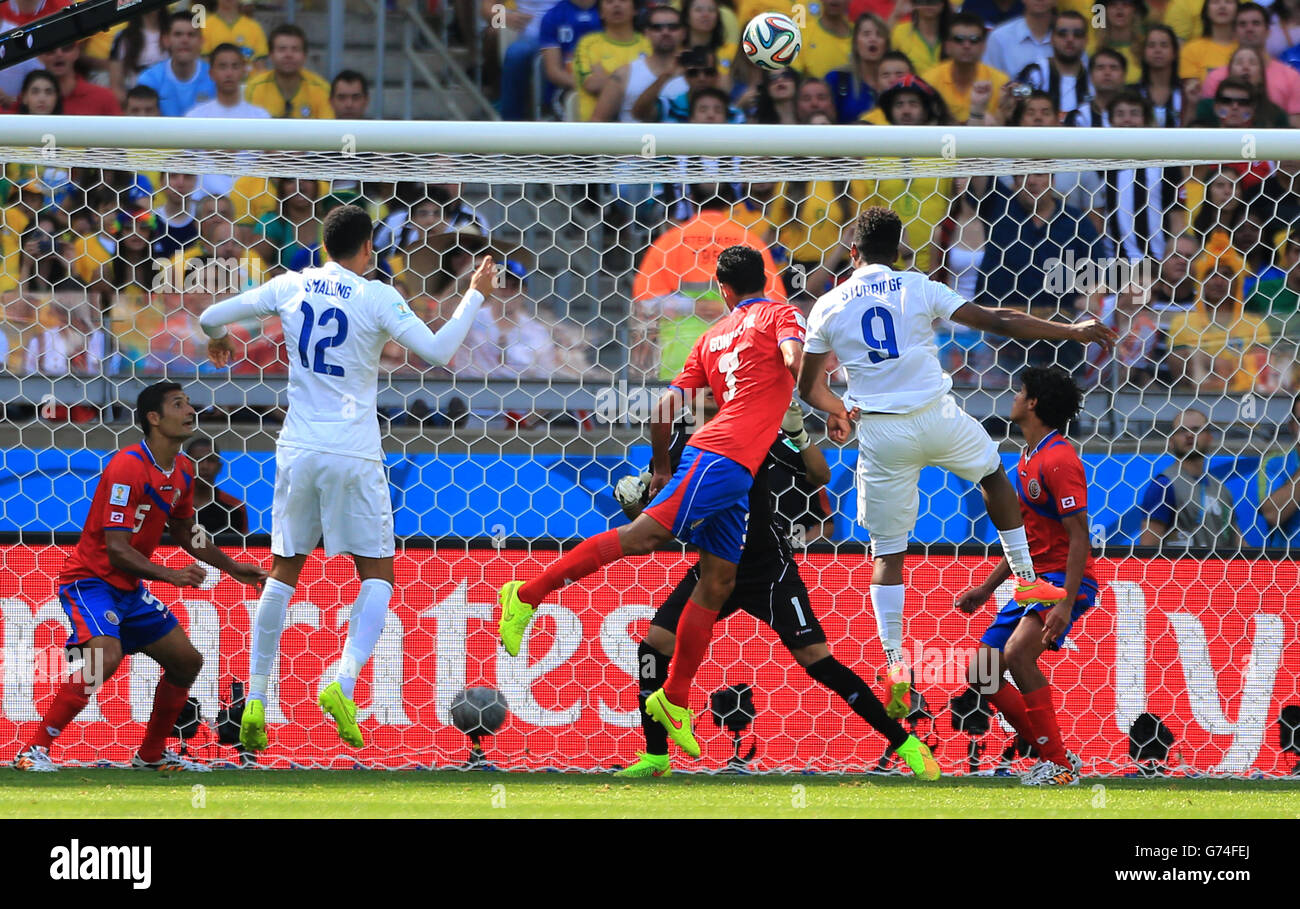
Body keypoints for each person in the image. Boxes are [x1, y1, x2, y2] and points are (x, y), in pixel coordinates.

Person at [198, 205, 497, 752]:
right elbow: (437, 351)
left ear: (323, 246)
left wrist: (217, 340)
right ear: (368, 250)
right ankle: (343, 679)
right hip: (355, 450)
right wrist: (475, 292)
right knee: (377, 572)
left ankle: (258, 695)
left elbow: (212, 314)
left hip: (298, 448)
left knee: (283, 570)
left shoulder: (291, 284)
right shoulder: (377, 295)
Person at [796, 208, 1116, 717]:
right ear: (900, 253)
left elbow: (808, 387)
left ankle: (898, 666)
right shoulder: (917, 285)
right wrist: (1071, 331)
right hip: (936, 416)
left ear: (852, 254)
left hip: (881, 431)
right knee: (992, 475)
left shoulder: (827, 306)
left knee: (887, 556)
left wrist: (839, 411)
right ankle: (1027, 574)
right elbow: (999, 320)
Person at [497, 245, 806, 758]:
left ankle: (675, 700)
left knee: (718, 580)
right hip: (722, 458)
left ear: (724, 291)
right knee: (646, 537)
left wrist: (662, 466)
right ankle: (527, 594)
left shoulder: (712, 337)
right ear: (764, 281)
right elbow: (795, 356)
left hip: (725, 463)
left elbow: (665, 406)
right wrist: (810, 384)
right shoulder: (782, 313)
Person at [611, 393, 939, 779]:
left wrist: (798, 432)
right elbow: (656, 520)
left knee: (817, 661)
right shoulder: (678, 445)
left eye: (713, 389)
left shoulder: (757, 433)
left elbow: (820, 475)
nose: (704, 397)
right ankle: (656, 756)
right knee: (653, 647)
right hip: (715, 567)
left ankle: (905, 744)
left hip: (768, 570)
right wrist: (633, 504)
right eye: (700, 392)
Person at [12, 382, 267, 772]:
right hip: (91, 580)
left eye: (188, 403)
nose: (190, 410)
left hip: (128, 589)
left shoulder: (182, 470)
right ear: (154, 418)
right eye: (178, 405)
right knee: (105, 657)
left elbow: (185, 532)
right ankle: (33, 750)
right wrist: (170, 575)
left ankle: (149, 755)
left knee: (186, 662)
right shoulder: (128, 466)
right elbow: (116, 548)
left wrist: (231, 566)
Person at [953, 366, 1094, 787]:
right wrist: (986, 587)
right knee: (981, 672)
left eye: (1019, 390)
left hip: (1063, 581)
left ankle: (1060, 768)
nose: (1013, 396)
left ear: (1033, 403)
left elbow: (1079, 535)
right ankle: (1055, 754)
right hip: (1033, 580)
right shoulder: (1028, 456)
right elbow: (1025, 539)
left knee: (1016, 655)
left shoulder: (1059, 459)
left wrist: (1066, 602)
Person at [1138, 407, 1241, 552]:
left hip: (1218, 573)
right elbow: (1147, 549)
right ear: (1171, 441)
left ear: (1209, 437)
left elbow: (1237, 542)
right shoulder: (1163, 485)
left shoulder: (1222, 490)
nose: (1189, 435)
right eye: (1181, 431)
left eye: (1197, 429)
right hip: (1180, 572)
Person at [243, 23, 333, 119]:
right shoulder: (255, 88)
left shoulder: (321, 88)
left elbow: (329, 130)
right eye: (282, 49)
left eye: (295, 49)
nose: (288, 55)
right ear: (271, 54)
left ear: (305, 55)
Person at [135, 13, 217, 116]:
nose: (185, 40)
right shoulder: (149, 79)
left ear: (201, 41)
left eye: (191, 35)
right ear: (166, 40)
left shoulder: (215, 77)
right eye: (178, 34)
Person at [185, 437, 249, 539]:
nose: (204, 466)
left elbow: (243, 550)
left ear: (219, 467)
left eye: (210, 460)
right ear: (185, 465)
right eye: (197, 460)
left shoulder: (235, 508)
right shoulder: (170, 505)